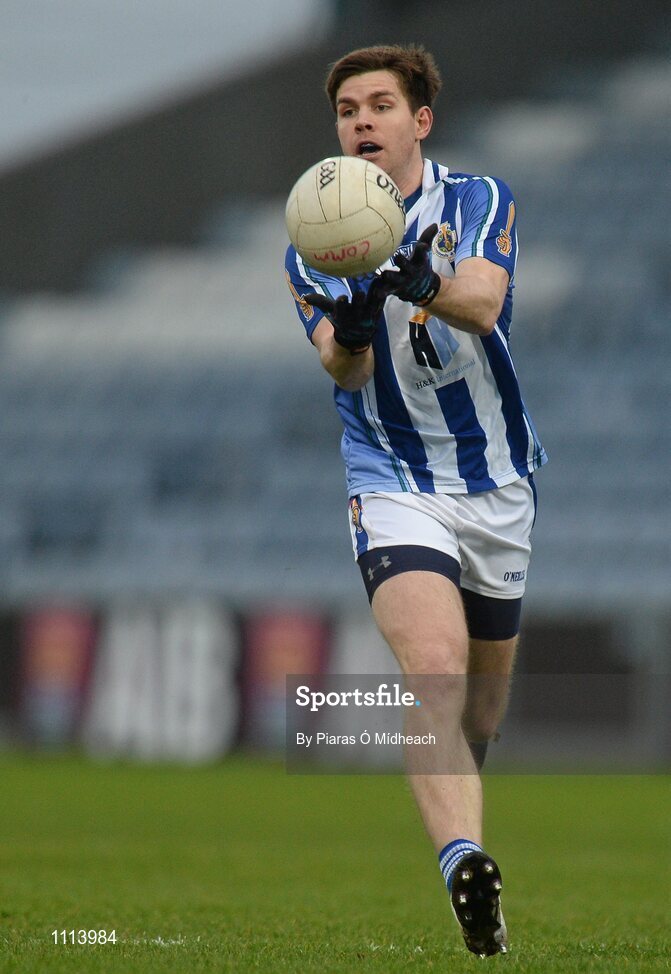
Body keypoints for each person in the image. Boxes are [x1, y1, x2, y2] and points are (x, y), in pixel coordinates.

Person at [284, 44, 546, 958]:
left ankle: (466, 841)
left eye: (380, 104)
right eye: (347, 108)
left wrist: (416, 275)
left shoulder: (475, 201)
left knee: (479, 717)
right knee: (430, 664)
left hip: (496, 485)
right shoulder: (313, 231)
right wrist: (354, 328)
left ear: (418, 122)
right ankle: (464, 862)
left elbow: (481, 301)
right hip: (391, 479)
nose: (361, 121)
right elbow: (340, 365)